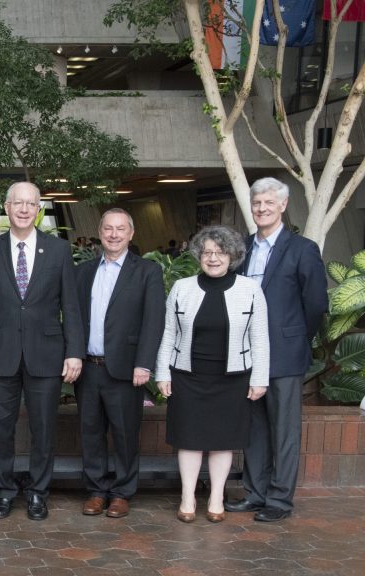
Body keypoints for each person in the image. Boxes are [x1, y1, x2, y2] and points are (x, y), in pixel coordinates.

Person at [0, 181, 84, 521]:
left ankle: (37, 493)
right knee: (1, 430)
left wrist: (74, 351)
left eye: (30, 204)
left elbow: (71, 307)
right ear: (6, 207)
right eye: (17, 203)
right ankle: (3, 492)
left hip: (46, 355)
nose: (23, 209)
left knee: (44, 429)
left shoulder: (59, 250)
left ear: (38, 209)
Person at [226, 177, 328, 522]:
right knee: (254, 428)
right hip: (245, 355)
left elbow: (315, 303)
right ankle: (255, 493)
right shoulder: (241, 248)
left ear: (283, 206)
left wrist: (295, 336)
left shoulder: (303, 249)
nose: (262, 209)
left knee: (284, 429)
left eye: (269, 203)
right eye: (257, 203)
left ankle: (280, 500)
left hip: (284, 354)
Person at [155, 225, 269, 524]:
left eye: (220, 252)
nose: (213, 258)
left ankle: (217, 496)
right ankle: (188, 497)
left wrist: (260, 378)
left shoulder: (250, 290)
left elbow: (259, 338)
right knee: (188, 439)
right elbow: (168, 333)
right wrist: (162, 372)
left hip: (232, 378)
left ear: (232, 256)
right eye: (207, 252)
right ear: (198, 255)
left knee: (223, 440)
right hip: (187, 376)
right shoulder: (182, 287)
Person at [75, 208, 164, 518]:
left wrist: (144, 363)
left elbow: (154, 321)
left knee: (125, 433)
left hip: (126, 369)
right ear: (100, 233)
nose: (113, 234)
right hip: (88, 367)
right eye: (108, 229)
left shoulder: (147, 272)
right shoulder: (83, 271)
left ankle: (123, 492)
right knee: (90, 432)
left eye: (120, 229)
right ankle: (97, 490)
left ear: (131, 234)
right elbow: (73, 319)